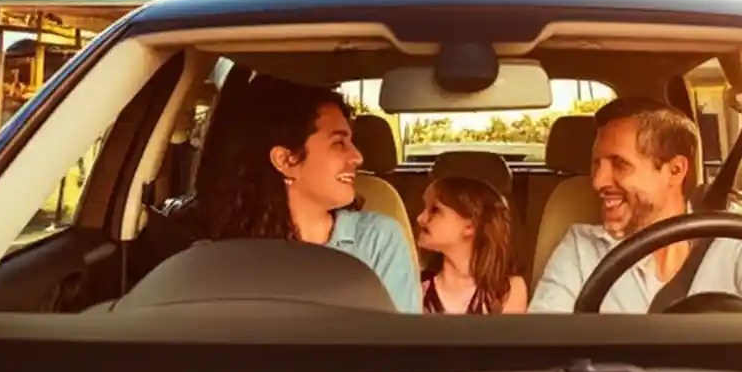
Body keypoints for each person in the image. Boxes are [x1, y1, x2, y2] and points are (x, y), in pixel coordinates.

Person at [529, 96, 742, 314]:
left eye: (619, 164)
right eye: (597, 165)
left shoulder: (734, 241)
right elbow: (543, 340)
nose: (598, 181)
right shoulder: (581, 248)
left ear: (675, 170)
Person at [195, 74, 421, 313]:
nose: (357, 156)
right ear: (285, 160)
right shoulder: (220, 257)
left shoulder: (376, 240)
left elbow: (400, 343)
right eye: (338, 143)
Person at [415, 176, 527, 314]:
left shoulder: (507, 292)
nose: (421, 219)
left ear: (470, 226)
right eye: (425, 208)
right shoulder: (417, 289)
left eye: (435, 210)